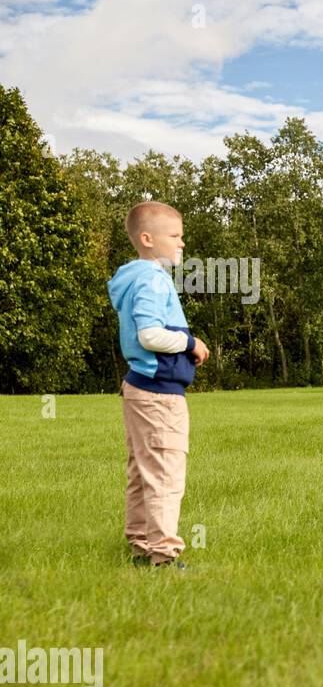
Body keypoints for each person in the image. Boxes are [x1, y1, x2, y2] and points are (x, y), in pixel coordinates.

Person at [107, 201, 210, 568]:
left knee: (142, 470)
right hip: (157, 393)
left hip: (139, 388)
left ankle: (140, 545)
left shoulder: (133, 276)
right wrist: (190, 343)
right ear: (148, 239)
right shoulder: (152, 279)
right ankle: (163, 555)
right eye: (175, 236)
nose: (182, 243)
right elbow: (150, 334)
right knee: (165, 470)